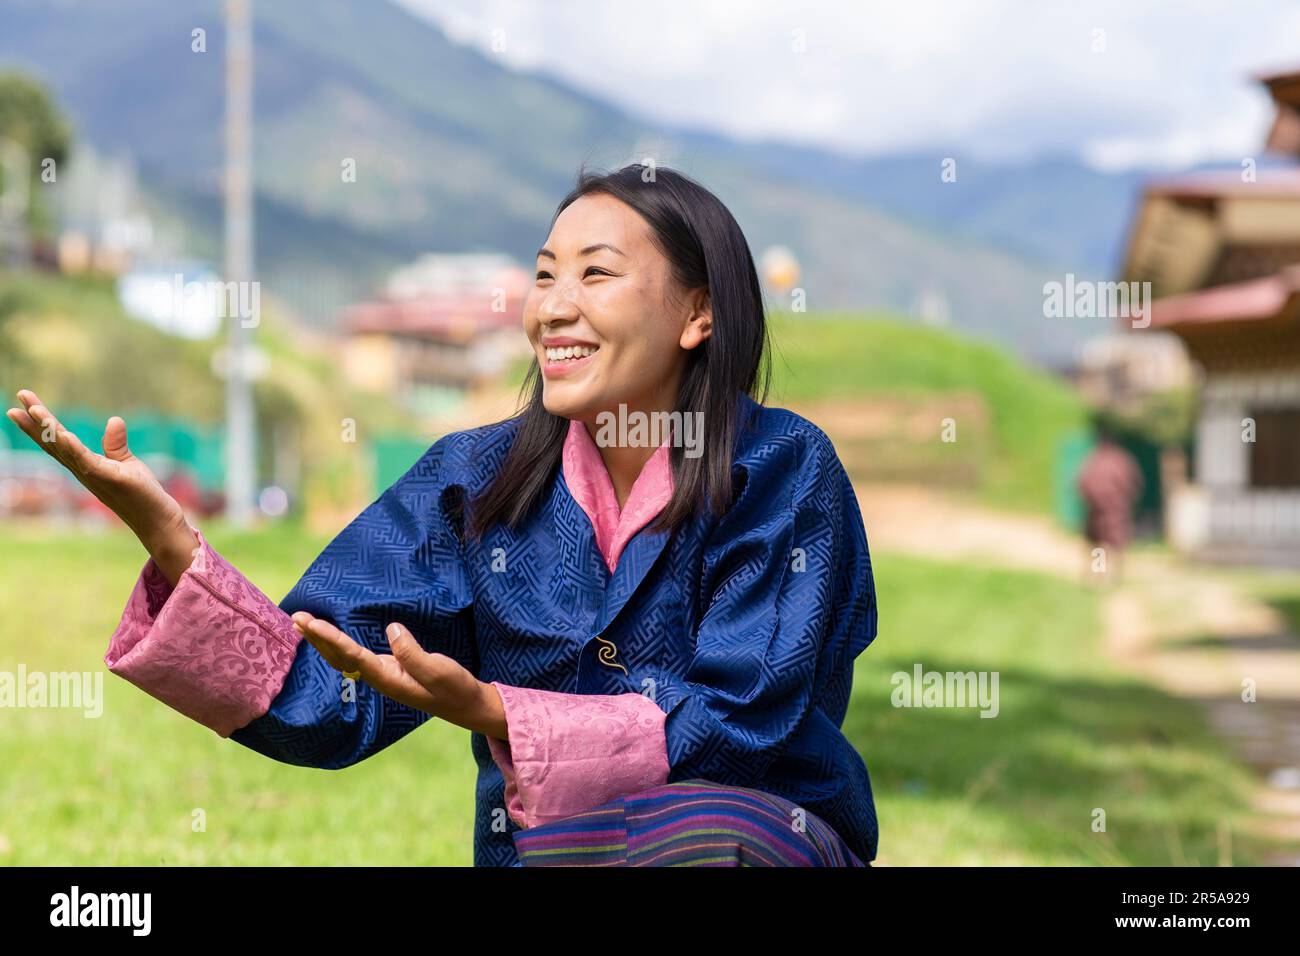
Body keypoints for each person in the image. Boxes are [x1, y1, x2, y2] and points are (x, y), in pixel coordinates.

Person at [7, 164, 879, 867]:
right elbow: (328, 693)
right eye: (544, 276)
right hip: (548, 857)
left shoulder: (783, 472)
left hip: (759, 844)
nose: (555, 305)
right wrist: (175, 550)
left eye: (597, 273)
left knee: (707, 842)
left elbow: (739, 722)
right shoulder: (474, 482)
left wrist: (508, 716)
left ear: (700, 312)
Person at [1076, 421, 1144, 586]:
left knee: (1099, 545)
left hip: (1097, 509)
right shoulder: (1122, 460)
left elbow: (1082, 482)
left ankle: (1100, 576)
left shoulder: (1094, 459)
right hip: (1116, 509)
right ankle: (1116, 576)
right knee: (1117, 543)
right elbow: (1135, 482)